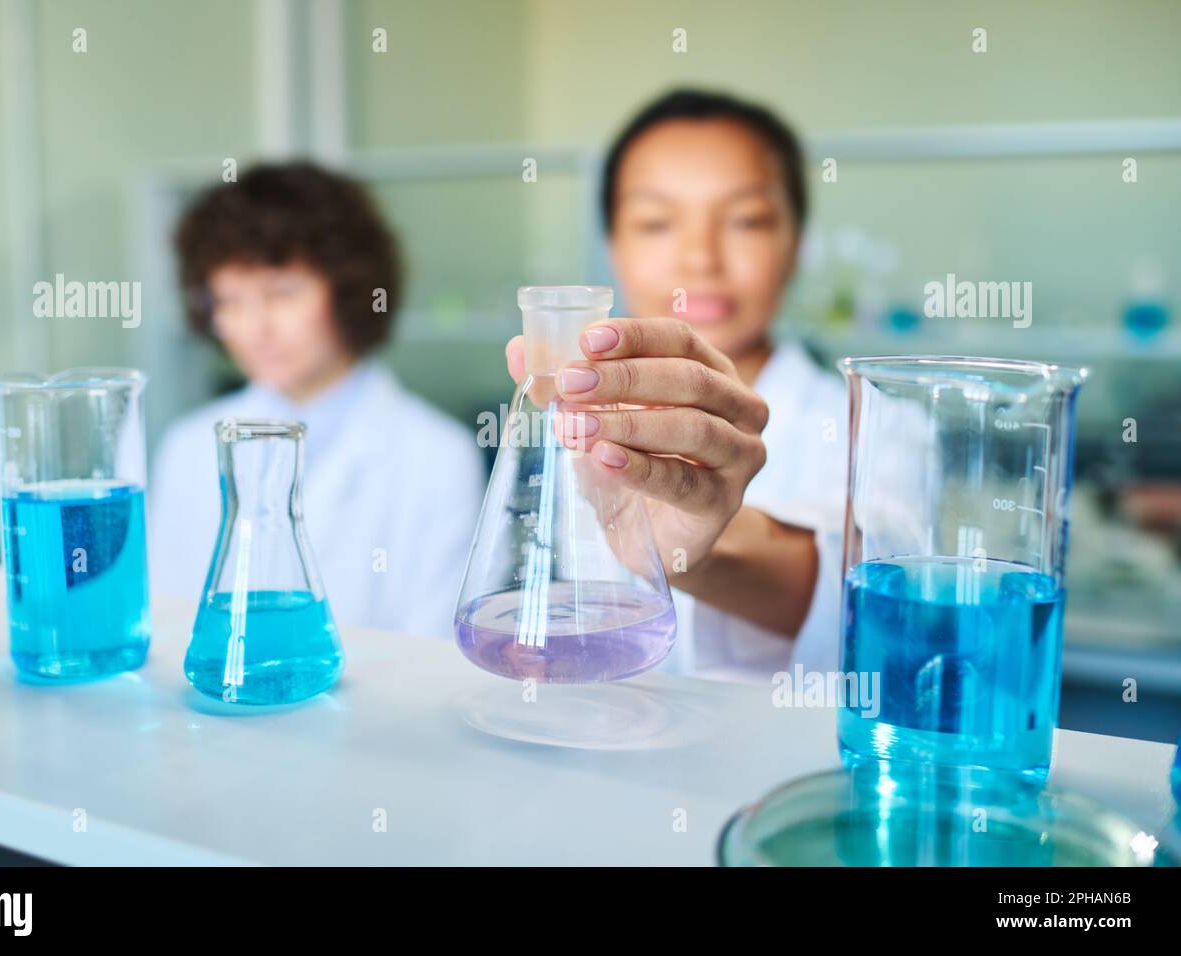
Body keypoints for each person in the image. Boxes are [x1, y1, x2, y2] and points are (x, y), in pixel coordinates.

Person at [507, 89, 848, 679]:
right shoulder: (578, 414)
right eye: (656, 222)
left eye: (747, 220)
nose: (700, 259)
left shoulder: (874, 429)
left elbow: (848, 603)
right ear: (613, 245)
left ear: (795, 244)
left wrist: (695, 545)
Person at [149, 161, 486, 638]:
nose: (256, 326)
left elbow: (434, 656)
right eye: (230, 300)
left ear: (351, 292)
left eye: (283, 294)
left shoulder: (438, 456)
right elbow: (169, 624)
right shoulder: (187, 447)